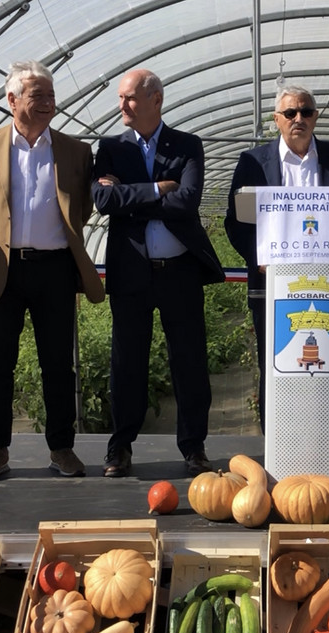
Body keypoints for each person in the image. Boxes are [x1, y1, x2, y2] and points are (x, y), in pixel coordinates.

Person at [0, 61, 105, 481]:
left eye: (50, 95)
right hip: (3, 269)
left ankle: (62, 448)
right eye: (37, 95)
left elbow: (81, 207)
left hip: (55, 269)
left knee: (58, 364)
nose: (48, 103)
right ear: (12, 100)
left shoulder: (75, 151)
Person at [92, 69, 224, 478]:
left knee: (189, 360)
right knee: (127, 361)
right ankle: (120, 448)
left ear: (155, 100)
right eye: (120, 98)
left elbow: (185, 203)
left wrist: (128, 195)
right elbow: (101, 200)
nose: (122, 106)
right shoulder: (111, 147)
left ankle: (194, 447)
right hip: (132, 271)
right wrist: (155, 189)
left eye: (130, 98)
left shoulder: (187, 145)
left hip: (179, 271)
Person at [224, 85, 329, 430]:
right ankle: (278, 442)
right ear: (277, 120)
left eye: (306, 112)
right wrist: (259, 258)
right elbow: (235, 221)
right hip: (272, 285)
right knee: (277, 363)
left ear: (315, 117)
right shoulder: (254, 162)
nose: (298, 119)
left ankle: (328, 437)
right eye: (290, 113)